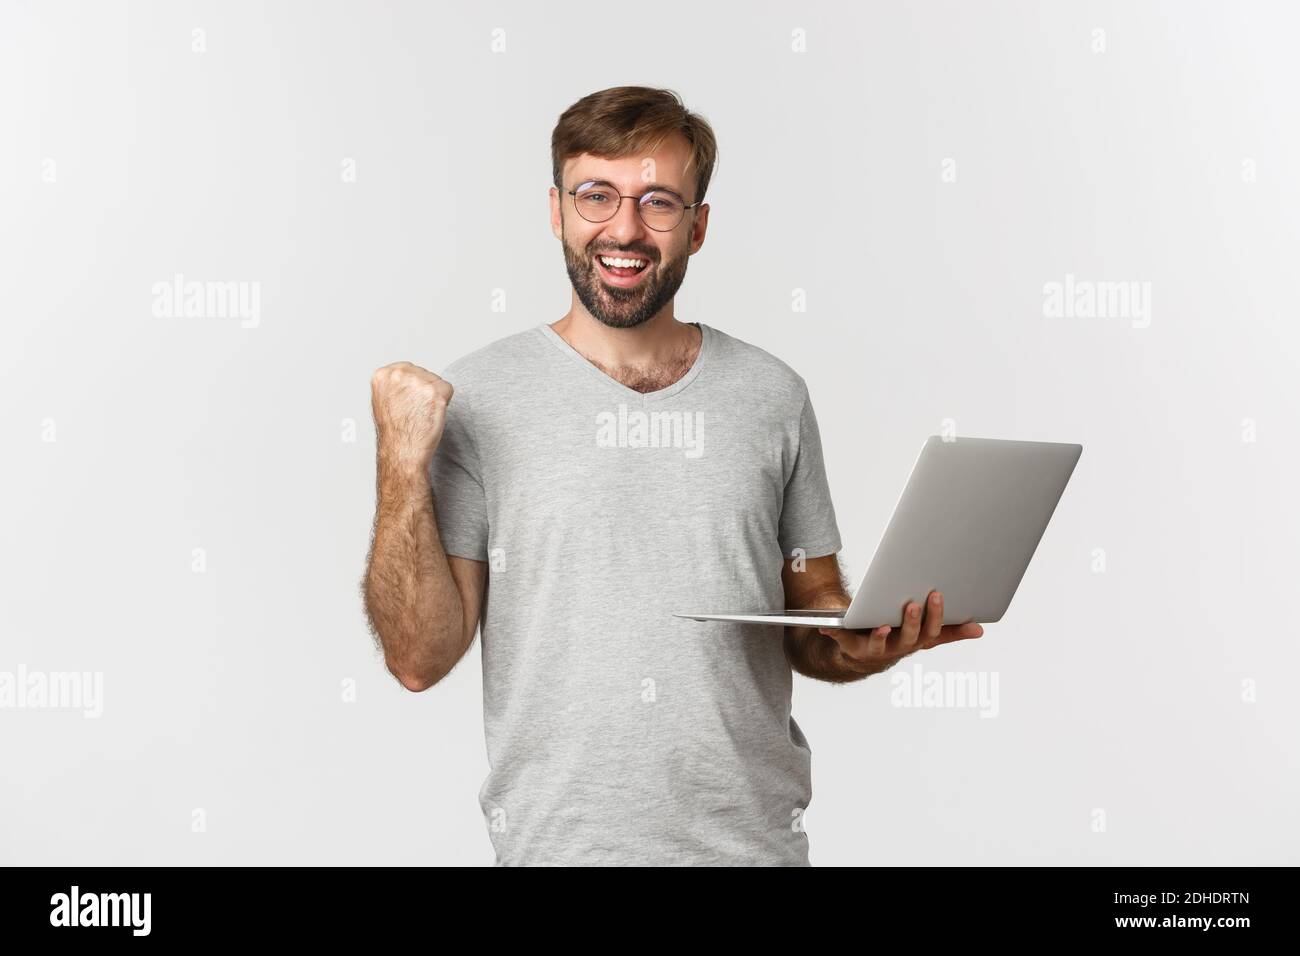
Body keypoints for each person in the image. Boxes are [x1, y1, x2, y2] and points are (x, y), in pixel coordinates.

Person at [362, 86, 983, 866]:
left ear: (698, 226)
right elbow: (419, 658)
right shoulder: (480, 397)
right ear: (556, 211)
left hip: (752, 848)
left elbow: (812, 621)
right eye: (596, 196)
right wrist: (399, 462)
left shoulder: (773, 395)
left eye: (658, 203)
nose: (624, 229)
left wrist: (868, 644)